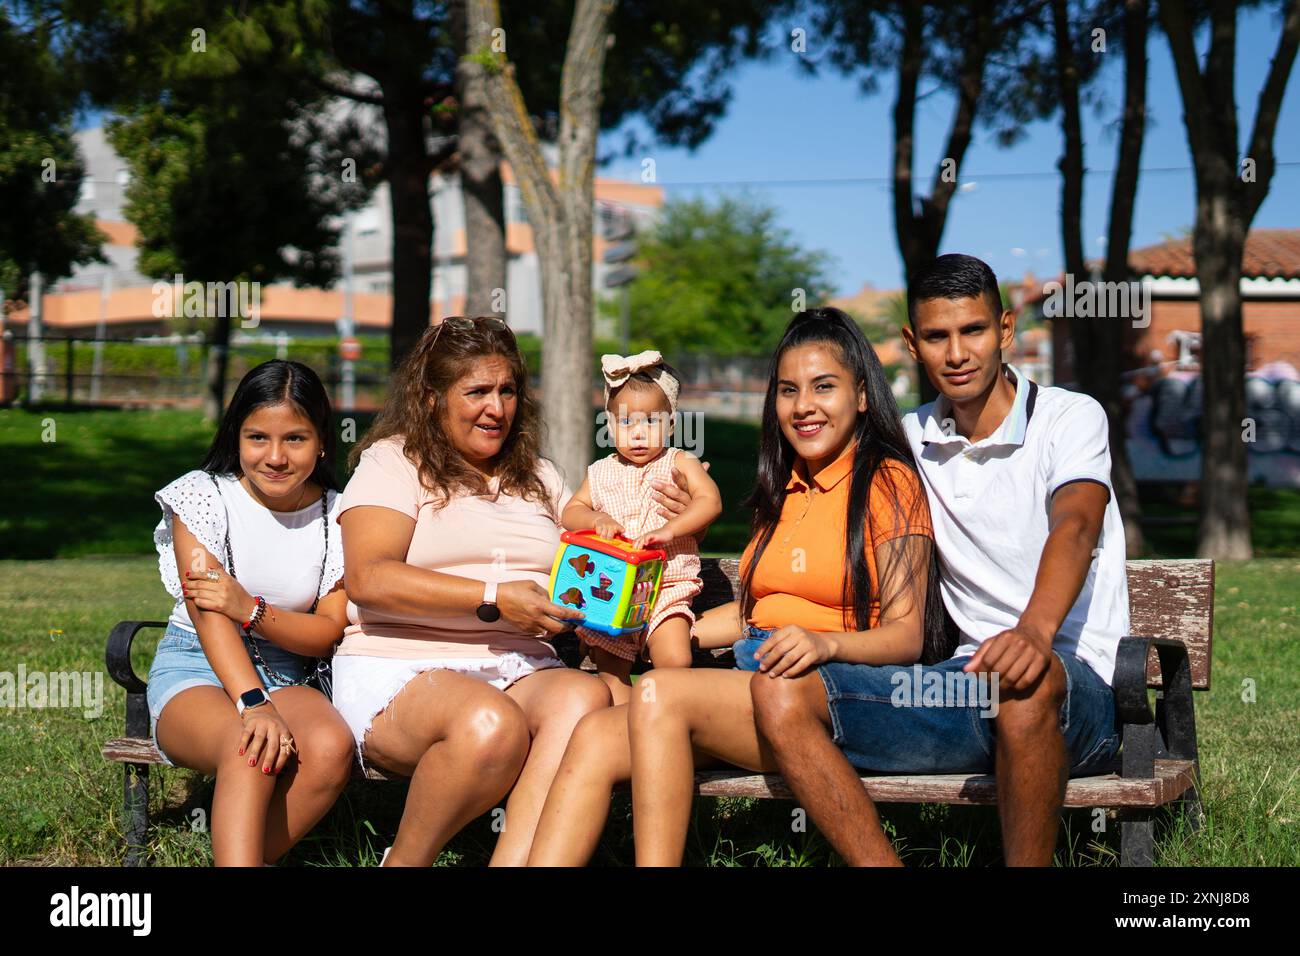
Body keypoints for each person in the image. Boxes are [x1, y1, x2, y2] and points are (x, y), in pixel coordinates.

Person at [526, 307, 947, 865]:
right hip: (757, 684)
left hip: (835, 695)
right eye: (788, 390)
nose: (803, 406)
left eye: (824, 387)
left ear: (863, 395)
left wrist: (824, 643)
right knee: (594, 735)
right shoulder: (786, 488)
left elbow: (906, 635)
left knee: (654, 693)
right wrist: (664, 625)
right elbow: (754, 611)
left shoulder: (887, 483)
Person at [749, 254, 1127, 866]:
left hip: (1076, 691)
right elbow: (822, 478)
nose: (957, 353)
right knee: (779, 695)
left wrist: (1033, 631)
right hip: (958, 687)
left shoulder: (1069, 417)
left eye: (972, 331)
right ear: (911, 343)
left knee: (1023, 683)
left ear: (1004, 330)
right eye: (936, 336)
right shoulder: (911, 441)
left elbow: (1077, 524)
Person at [335, 316, 614, 866]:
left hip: (521, 665)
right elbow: (369, 578)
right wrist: (493, 595)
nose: (497, 408)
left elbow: (583, 567)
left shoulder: (540, 475)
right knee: (491, 723)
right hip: (401, 664)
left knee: (584, 701)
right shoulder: (393, 461)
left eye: (507, 390)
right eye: (478, 391)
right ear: (433, 398)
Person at [147, 360, 353, 867]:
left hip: (288, 671)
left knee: (330, 747)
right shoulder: (201, 496)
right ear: (236, 435)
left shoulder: (341, 516)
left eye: (296, 440)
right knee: (250, 743)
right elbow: (208, 613)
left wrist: (253, 610)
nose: (275, 457)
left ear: (322, 441)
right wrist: (253, 702)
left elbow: (326, 633)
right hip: (196, 667)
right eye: (257, 437)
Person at [561, 350, 723, 703]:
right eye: (625, 423)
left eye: (650, 422)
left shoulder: (679, 462)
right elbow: (570, 511)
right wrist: (595, 519)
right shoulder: (600, 472)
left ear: (671, 425)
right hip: (612, 587)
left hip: (665, 585)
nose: (637, 434)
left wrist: (673, 529)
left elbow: (710, 501)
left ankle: (669, 716)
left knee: (674, 657)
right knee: (609, 669)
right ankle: (624, 726)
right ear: (609, 424)